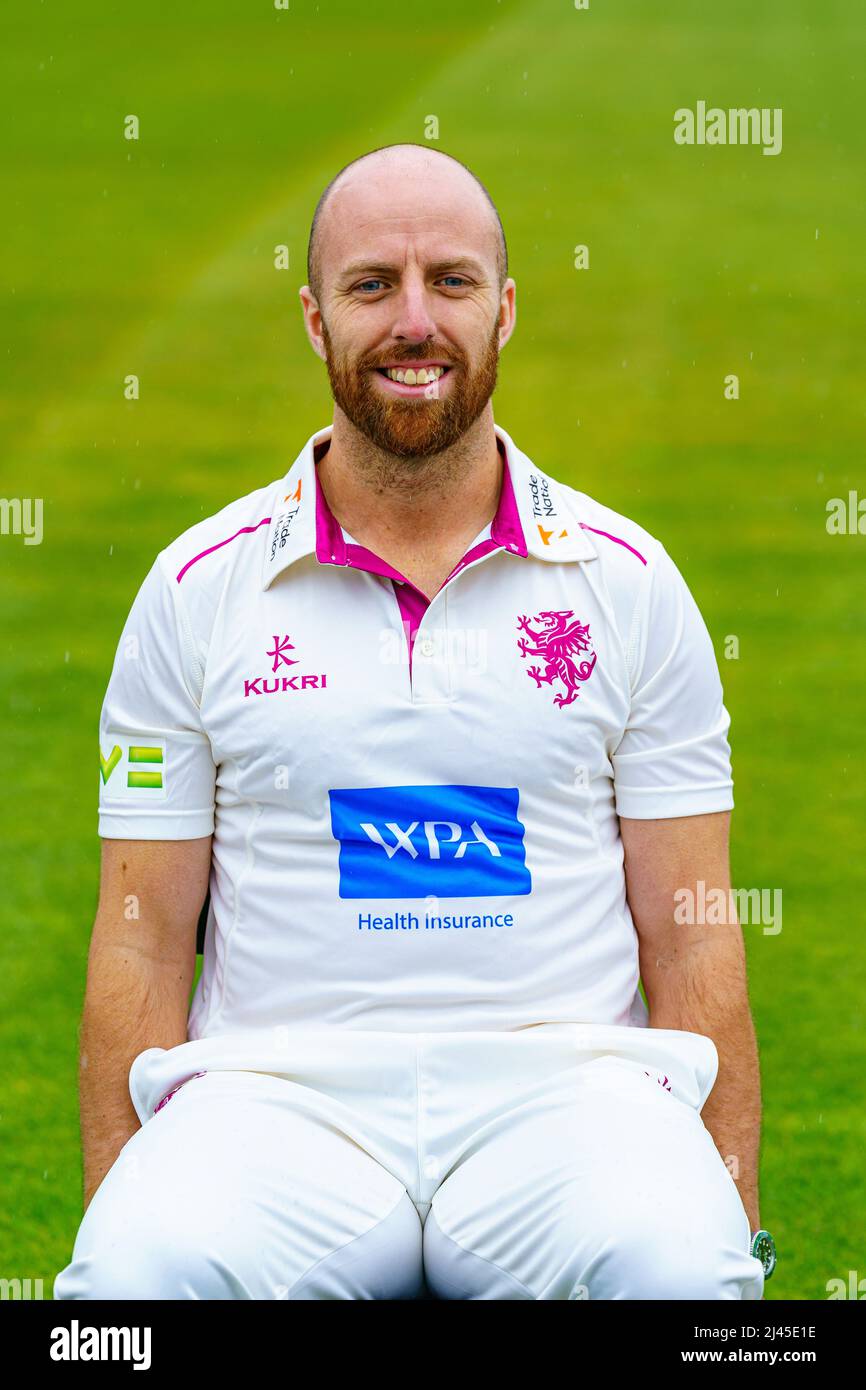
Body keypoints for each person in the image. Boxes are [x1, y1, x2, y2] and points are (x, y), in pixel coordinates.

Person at [55, 143, 768, 1300]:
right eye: (370, 284)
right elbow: (139, 936)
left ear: (504, 310)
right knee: (130, 1289)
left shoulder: (628, 582)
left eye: (450, 280)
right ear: (312, 316)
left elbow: (690, 935)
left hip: (569, 1093)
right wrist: (117, 1215)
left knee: (682, 1276)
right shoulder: (195, 590)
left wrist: (736, 1222)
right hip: (272, 1100)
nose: (413, 321)